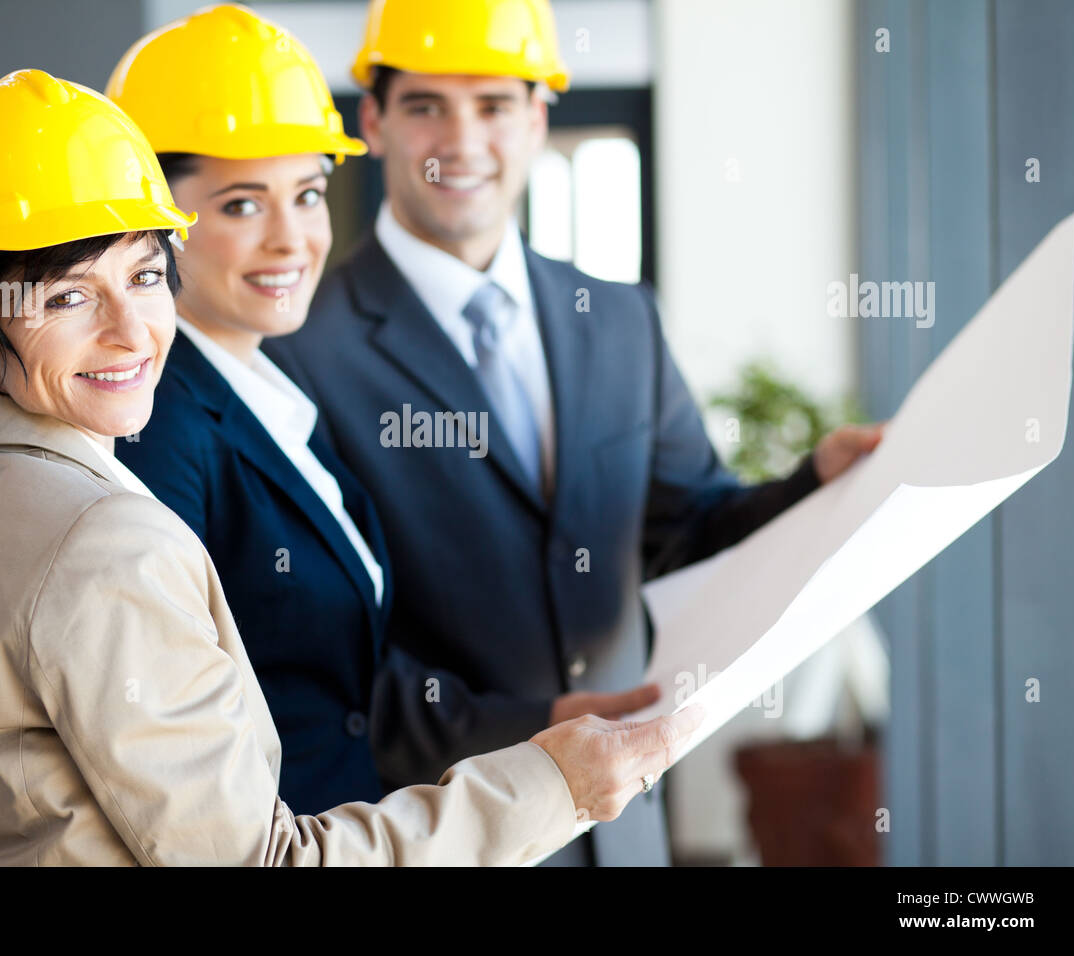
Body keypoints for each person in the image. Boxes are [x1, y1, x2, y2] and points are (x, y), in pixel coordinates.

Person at [0, 68, 704, 866]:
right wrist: (553, 787)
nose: (132, 332)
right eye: (67, 296)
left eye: (143, 276)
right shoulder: (107, 538)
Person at [264, 0, 885, 866]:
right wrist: (532, 734)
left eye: (493, 105)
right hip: (444, 828)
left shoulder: (619, 319)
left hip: (624, 826)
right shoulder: (299, 352)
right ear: (372, 122)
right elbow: (316, 662)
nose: (462, 139)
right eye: (425, 105)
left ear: (537, 117)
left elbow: (689, 530)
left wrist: (813, 485)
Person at [107, 3, 663, 819]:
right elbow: (161, 740)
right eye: (240, 205)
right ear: (155, 223)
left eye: (306, 195)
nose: (292, 240)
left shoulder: (274, 403)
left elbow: (348, 684)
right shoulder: (157, 430)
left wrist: (537, 723)